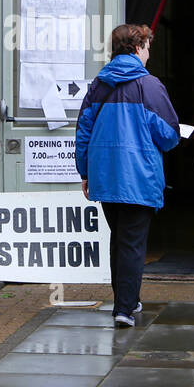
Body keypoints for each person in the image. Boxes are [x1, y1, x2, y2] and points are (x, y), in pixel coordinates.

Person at [75, 24, 181, 327]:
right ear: (138, 47)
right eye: (147, 47)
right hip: (139, 175)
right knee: (132, 243)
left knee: (119, 240)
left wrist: (85, 171)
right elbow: (169, 135)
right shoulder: (150, 86)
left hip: (105, 175)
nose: (148, 53)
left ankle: (127, 300)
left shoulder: (98, 85)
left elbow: (83, 132)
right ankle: (123, 308)